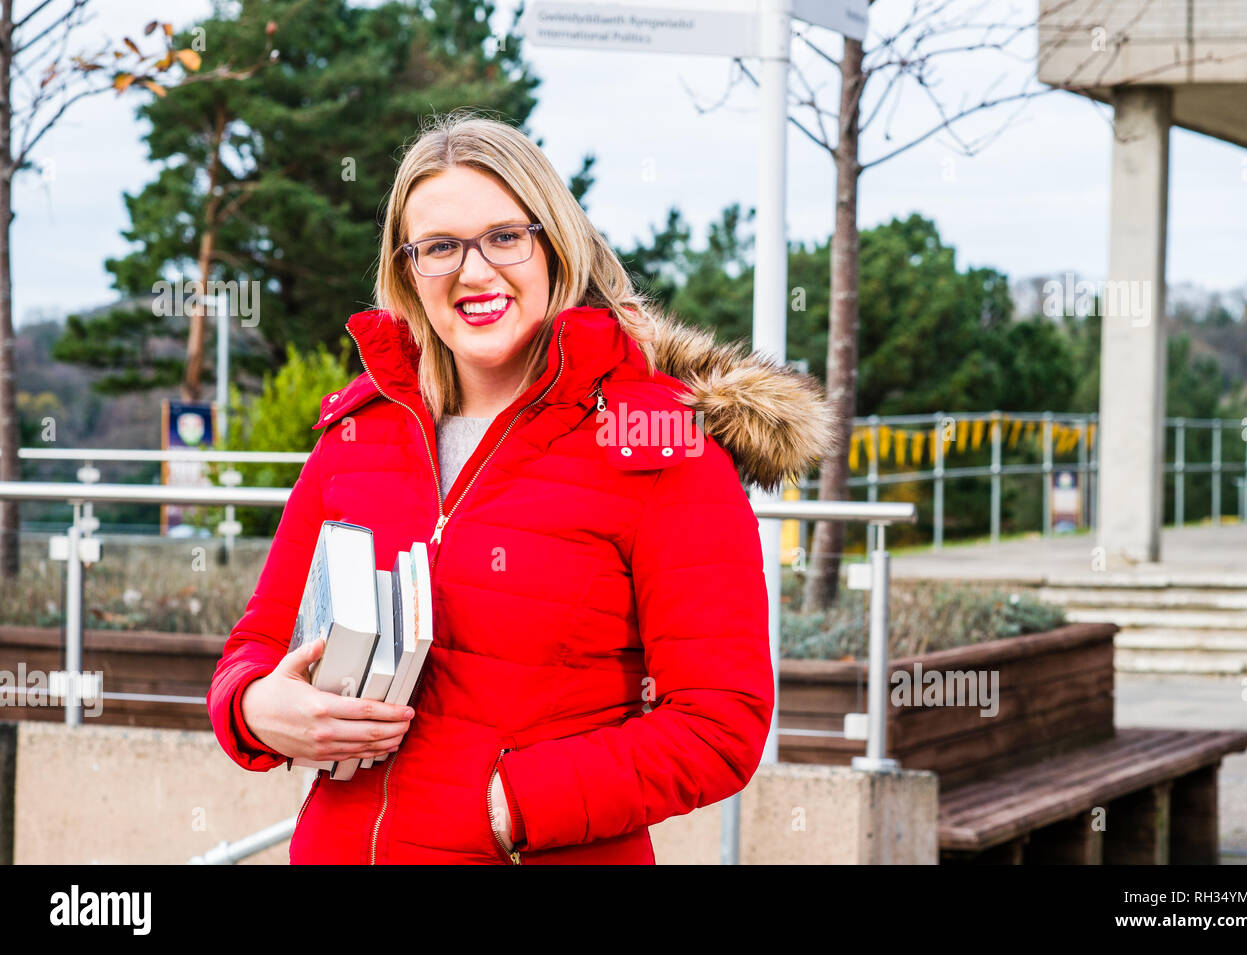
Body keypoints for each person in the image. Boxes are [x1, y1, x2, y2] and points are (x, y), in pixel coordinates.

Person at [207, 110, 837, 864]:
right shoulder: (359, 432)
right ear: (408, 270)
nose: (474, 273)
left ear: (554, 245)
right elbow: (256, 643)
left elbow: (720, 724)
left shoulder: (655, 441)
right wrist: (254, 706)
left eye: (505, 237)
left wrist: (511, 805)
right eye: (439, 247)